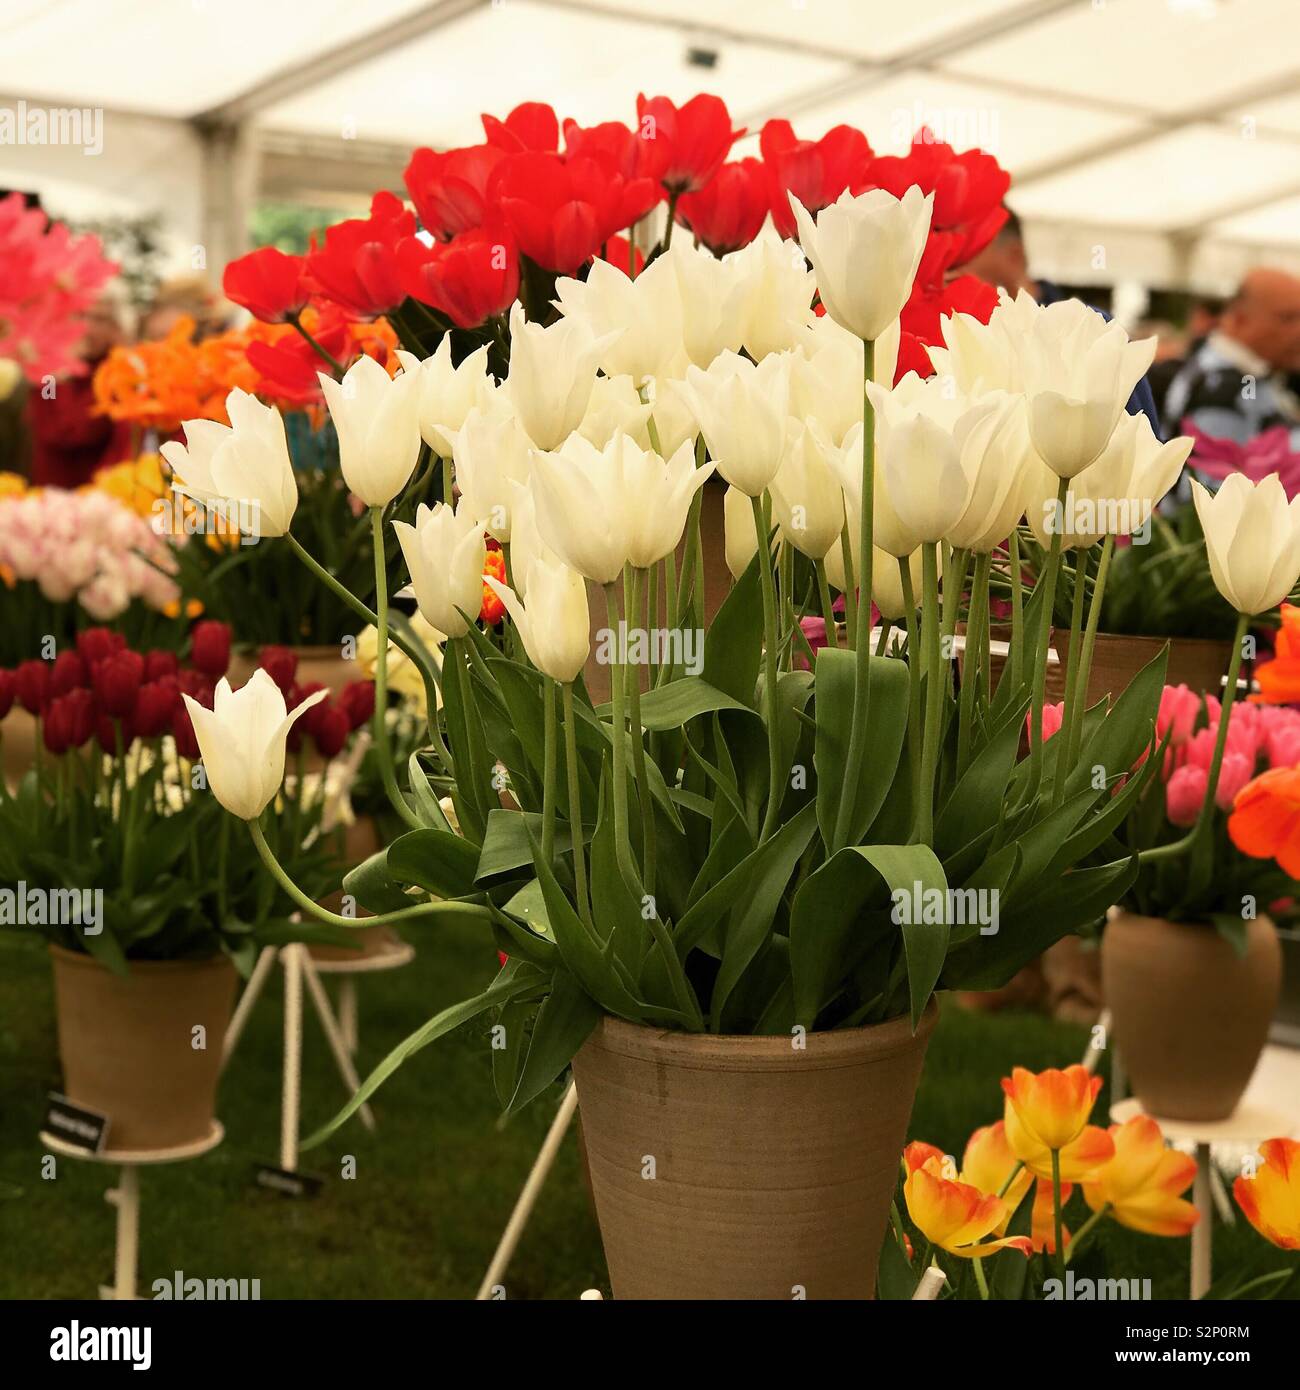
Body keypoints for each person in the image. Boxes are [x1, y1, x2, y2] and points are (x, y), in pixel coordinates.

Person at [1163, 268, 1300, 446]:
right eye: (1288, 318)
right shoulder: (1227, 387)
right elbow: (1215, 471)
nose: (1297, 332)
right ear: (1240, 319)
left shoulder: (1233, 376)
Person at [25, 291, 133, 488]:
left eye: (99, 319)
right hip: (51, 492)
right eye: (80, 315)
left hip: (96, 497)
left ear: (115, 328)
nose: (87, 328)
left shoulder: (116, 371)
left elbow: (75, 432)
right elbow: (47, 429)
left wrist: (66, 366)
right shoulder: (48, 371)